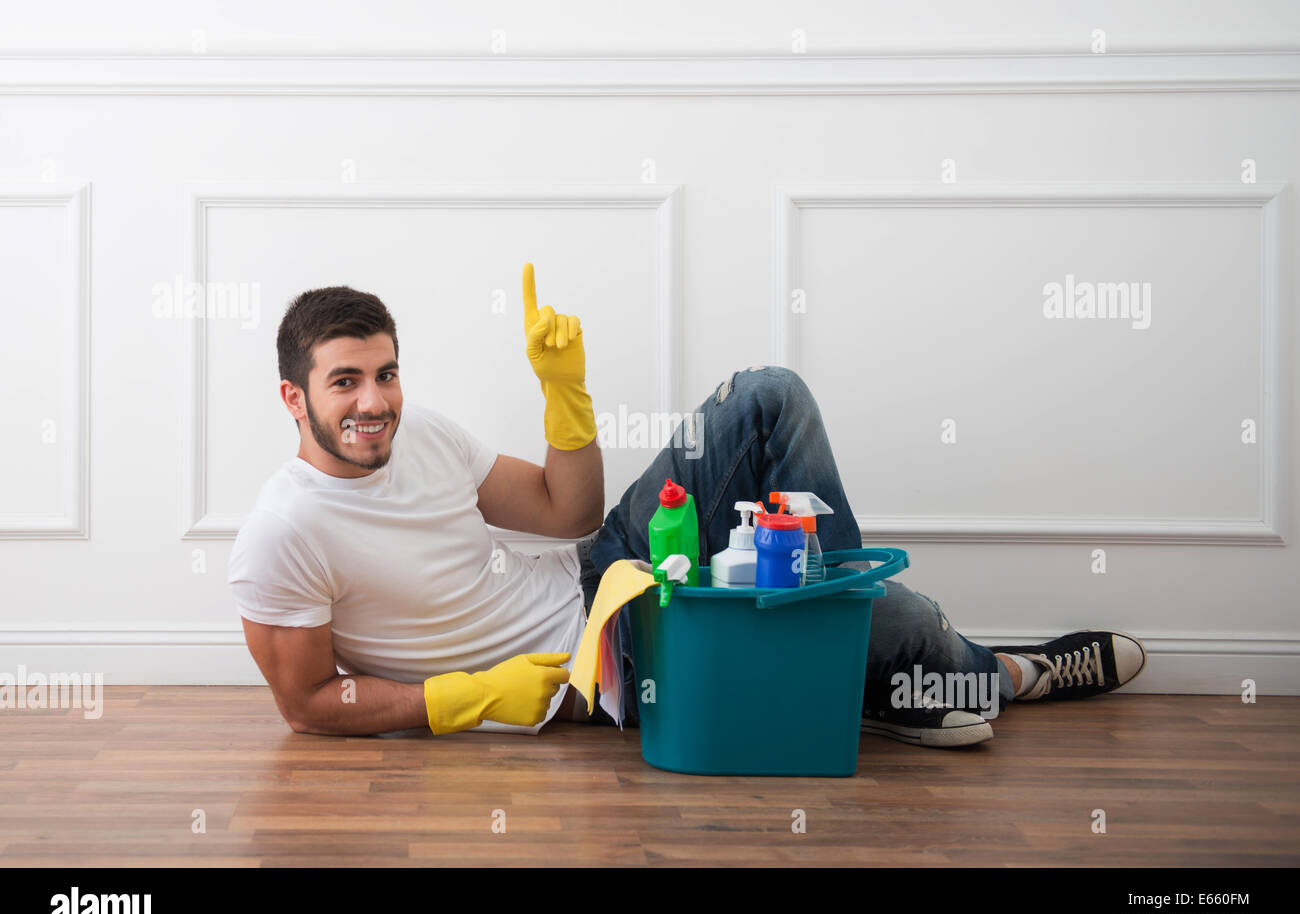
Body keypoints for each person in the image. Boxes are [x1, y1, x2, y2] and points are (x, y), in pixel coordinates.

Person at [228, 266, 1146, 748]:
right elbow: (308, 703)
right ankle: (1011, 673)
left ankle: (824, 637)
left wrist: (567, 400)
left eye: (384, 372)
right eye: (344, 381)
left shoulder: (420, 430)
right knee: (904, 624)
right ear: (293, 398)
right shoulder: (283, 531)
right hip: (599, 658)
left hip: (601, 569)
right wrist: (460, 700)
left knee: (768, 396)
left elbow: (567, 510)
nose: (374, 401)